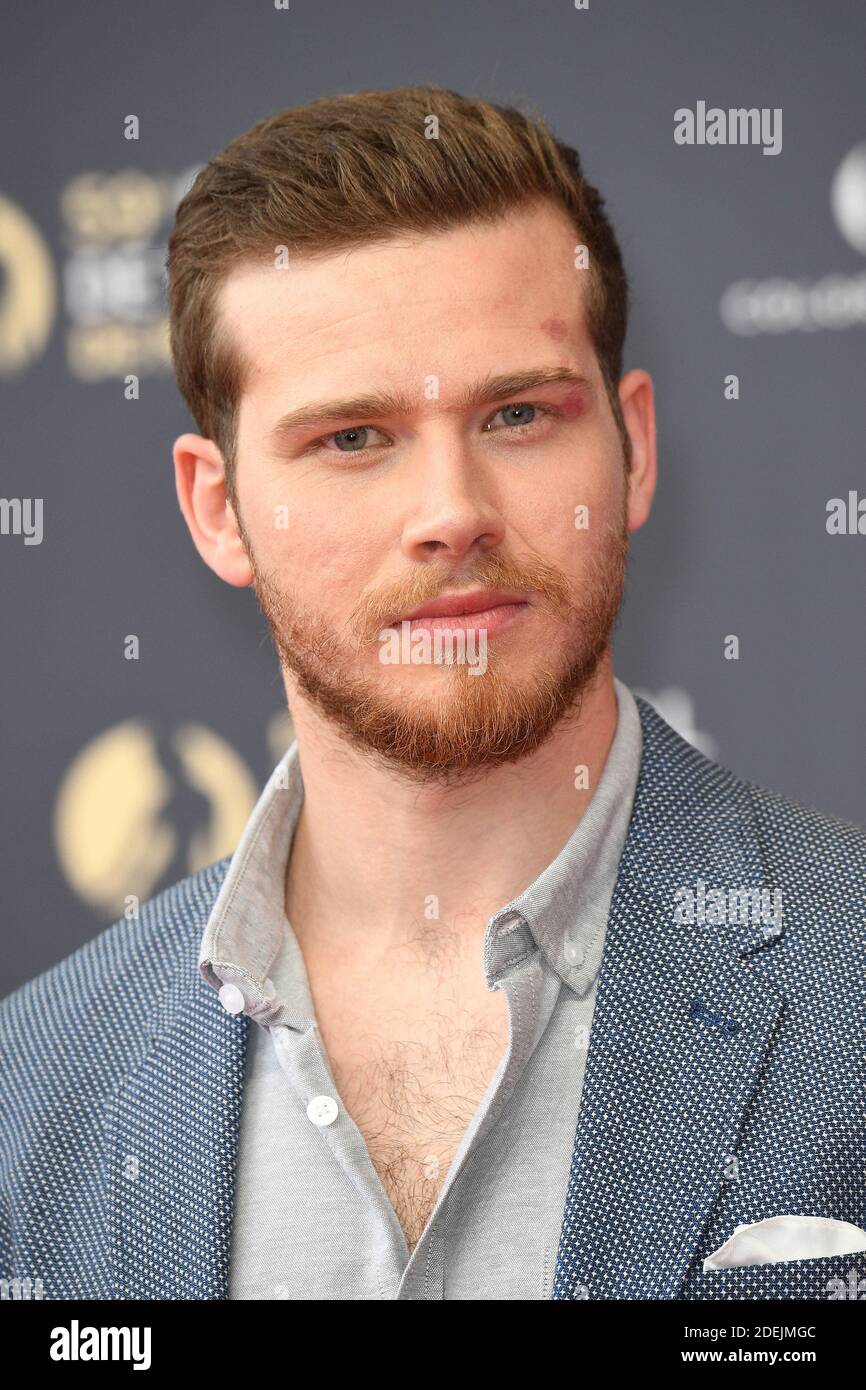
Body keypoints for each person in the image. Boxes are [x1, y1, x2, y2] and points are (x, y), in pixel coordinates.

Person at [2, 86, 864, 1302]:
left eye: (516, 414)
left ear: (632, 449)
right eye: (352, 438)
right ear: (217, 508)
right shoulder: (29, 1095)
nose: (450, 512)